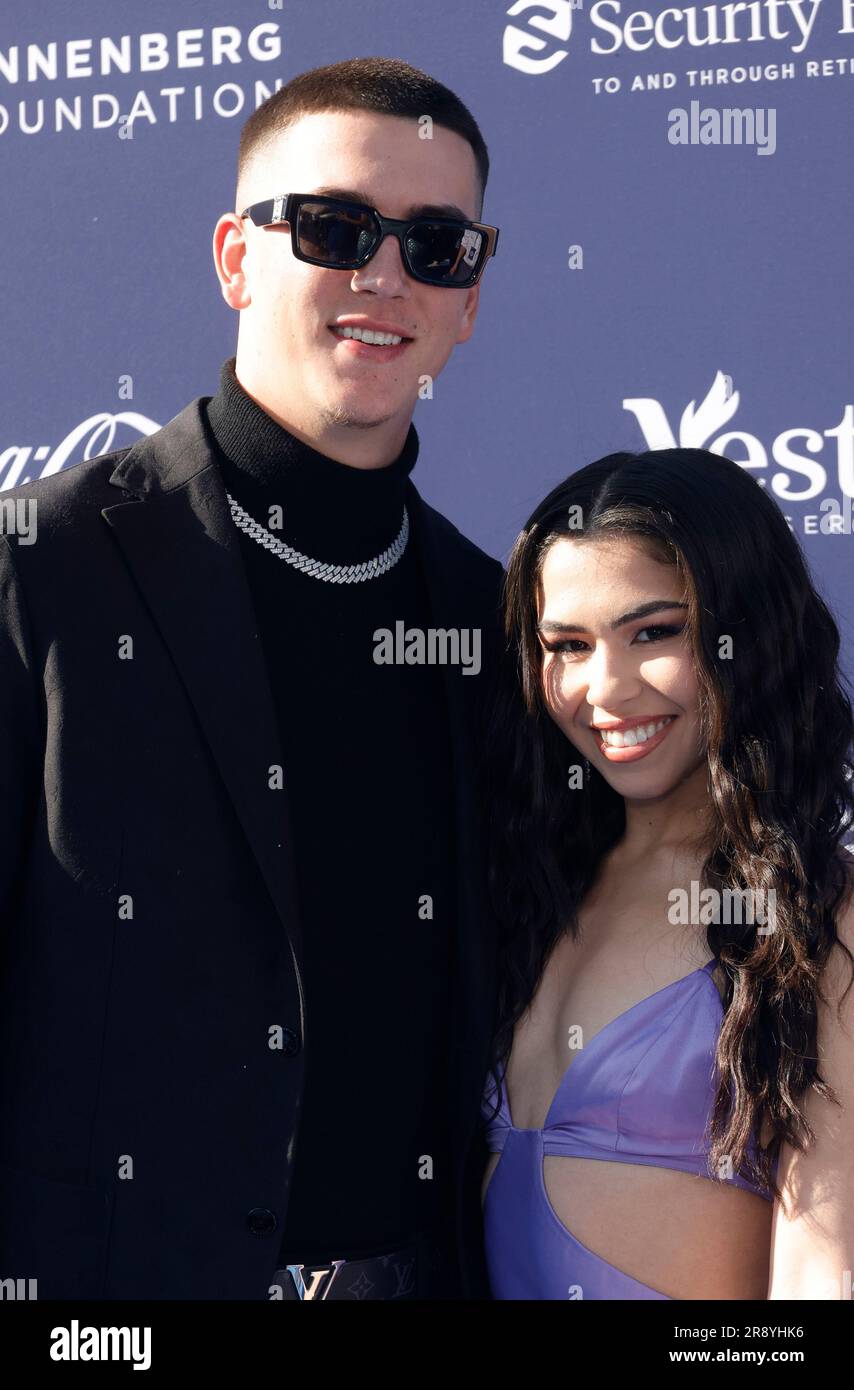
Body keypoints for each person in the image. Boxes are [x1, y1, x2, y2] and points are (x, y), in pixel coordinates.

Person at [0, 57, 504, 1300]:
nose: (384, 276)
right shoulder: (46, 566)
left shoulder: (497, 618)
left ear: (469, 300)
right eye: (335, 228)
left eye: (435, 245)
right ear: (235, 256)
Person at [480, 447, 854, 1299]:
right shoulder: (526, 885)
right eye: (567, 645)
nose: (604, 688)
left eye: (654, 632)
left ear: (746, 632)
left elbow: (824, 1274)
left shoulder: (822, 913)